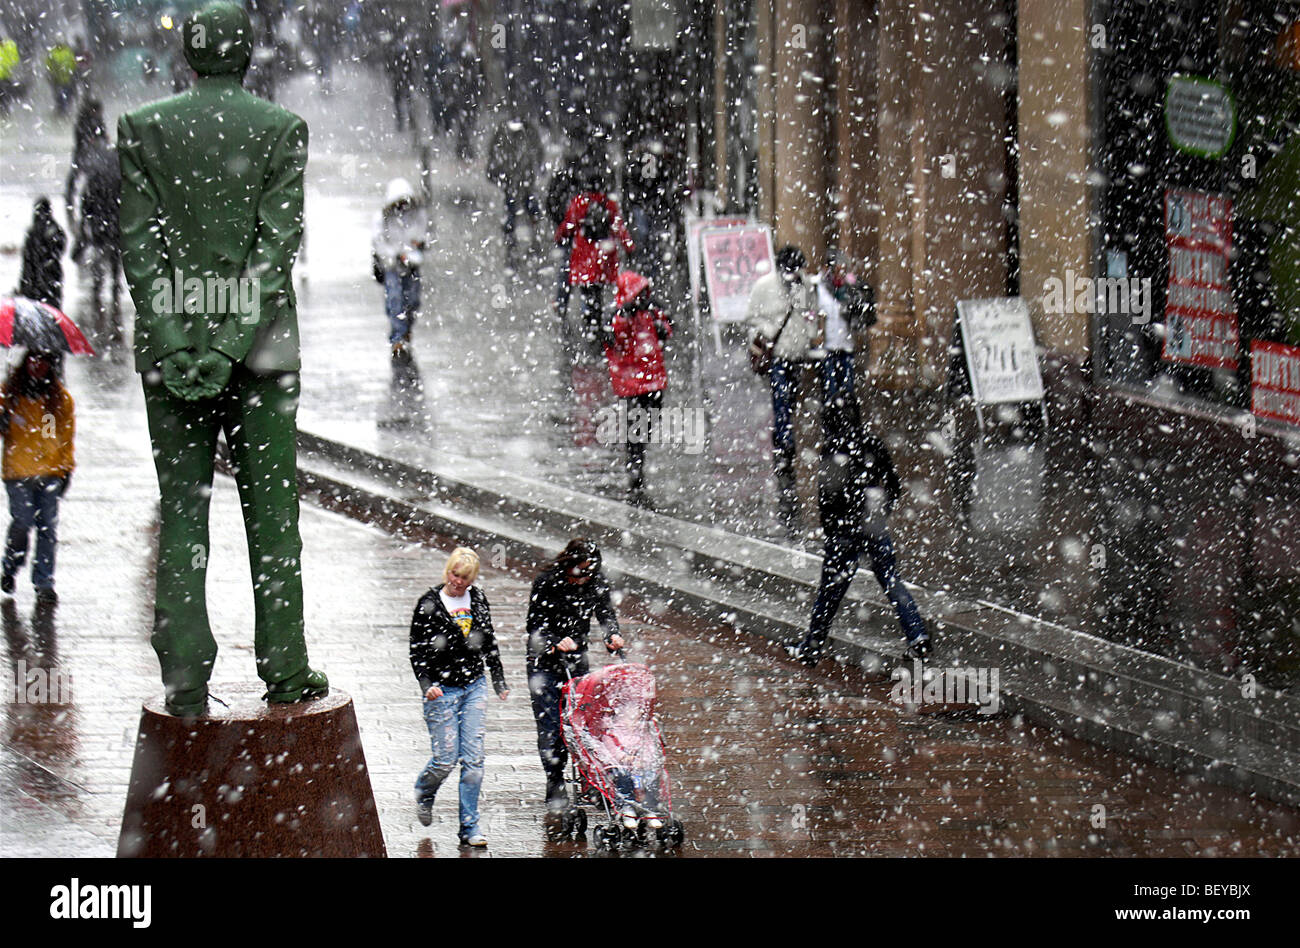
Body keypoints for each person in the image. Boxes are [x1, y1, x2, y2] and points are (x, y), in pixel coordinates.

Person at [118, 1, 327, 716]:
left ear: (190, 54)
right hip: (261, 357)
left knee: (182, 514)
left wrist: (181, 344)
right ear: (247, 51)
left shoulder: (144, 130)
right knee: (273, 518)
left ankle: (184, 670)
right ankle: (286, 664)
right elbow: (275, 255)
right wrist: (231, 345)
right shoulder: (279, 132)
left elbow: (139, 253)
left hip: (169, 355)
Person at [790, 402, 931, 667]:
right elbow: (893, 485)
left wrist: (832, 530)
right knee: (891, 580)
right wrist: (877, 512)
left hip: (844, 530)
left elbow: (827, 497)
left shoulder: (833, 450)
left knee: (830, 593)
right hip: (872, 525)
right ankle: (917, 635)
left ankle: (811, 647)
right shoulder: (872, 444)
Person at [410, 547, 509, 847]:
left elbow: (489, 641)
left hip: (474, 686)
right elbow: (417, 650)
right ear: (447, 571)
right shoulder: (429, 604)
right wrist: (426, 684)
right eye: (455, 574)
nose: (458, 582)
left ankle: (469, 828)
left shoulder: (477, 599)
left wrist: (498, 679)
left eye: (465, 577)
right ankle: (424, 791)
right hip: (442, 689)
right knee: (445, 760)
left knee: (474, 760)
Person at [526, 538, 625, 810]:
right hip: (544, 664)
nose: (584, 578)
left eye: (589, 572)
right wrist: (554, 639)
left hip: (576, 660)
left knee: (582, 722)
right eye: (579, 571)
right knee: (551, 728)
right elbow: (534, 624)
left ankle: (589, 781)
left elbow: (605, 612)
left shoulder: (595, 581)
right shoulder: (547, 581)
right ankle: (555, 781)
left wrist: (612, 634)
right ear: (569, 565)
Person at [746, 244, 820, 533]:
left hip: (796, 353)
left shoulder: (801, 287)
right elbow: (753, 317)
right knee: (781, 399)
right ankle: (784, 441)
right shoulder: (765, 287)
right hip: (777, 354)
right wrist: (768, 331)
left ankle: (785, 436)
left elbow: (807, 314)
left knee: (789, 399)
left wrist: (809, 335)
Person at [1, 351, 74, 601]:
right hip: (18, 472)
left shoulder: (59, 399)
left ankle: (44, 582)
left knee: (47, 529)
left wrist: (66, 470)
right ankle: (10, 566)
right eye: (33, 360)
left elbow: (65, 438)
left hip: (49, 472)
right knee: (22, 522)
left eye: (43, 361)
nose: (37, 366)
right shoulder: (8, 394)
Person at [601, 270, 672, 507]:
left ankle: (636, 462)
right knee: (635, 430)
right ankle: (635, 472)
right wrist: (624, 316)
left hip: (653, 380)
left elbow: (667, 330)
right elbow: (614, 339)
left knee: (649, 423)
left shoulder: (650, 312)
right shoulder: (619, 317)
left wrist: (661, 319)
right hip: (631, 384)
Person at [557, 185, 634, 344]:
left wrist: (559, 236)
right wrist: (628, 245)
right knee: (597, 290)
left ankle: (590, 321)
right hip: (603, 254)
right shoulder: (609, 203)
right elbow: (618, 227)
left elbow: (569, 223)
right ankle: (596, 321)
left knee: (587, 290)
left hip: (584, 252)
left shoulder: (579, 202)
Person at [371, 177, 428, 356]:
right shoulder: (382, 218)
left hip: (412, 265)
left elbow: (421, 236)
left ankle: (405, 329)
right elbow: (379, 242)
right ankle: (398, 337)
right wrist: (395, 255)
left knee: (412, 300)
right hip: (392, 266)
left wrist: (412, 251)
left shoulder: (418, 214)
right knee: (395, 299)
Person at [486, 108, 543, 270]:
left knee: (524, 208)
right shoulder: (510, 132)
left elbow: (537, 151)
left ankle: (524, 241)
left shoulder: (521, 132)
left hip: (520, 179)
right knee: (518, 209)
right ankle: (517, 243)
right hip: (515, 179)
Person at [17, 198, 66, 309]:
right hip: (52, 279)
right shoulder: (56, 229)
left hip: (33, 281)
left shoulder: (32, 231)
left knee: (34, 314)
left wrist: (23, 284)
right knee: (52, 311)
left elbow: (27, 260)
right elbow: (60, 250)